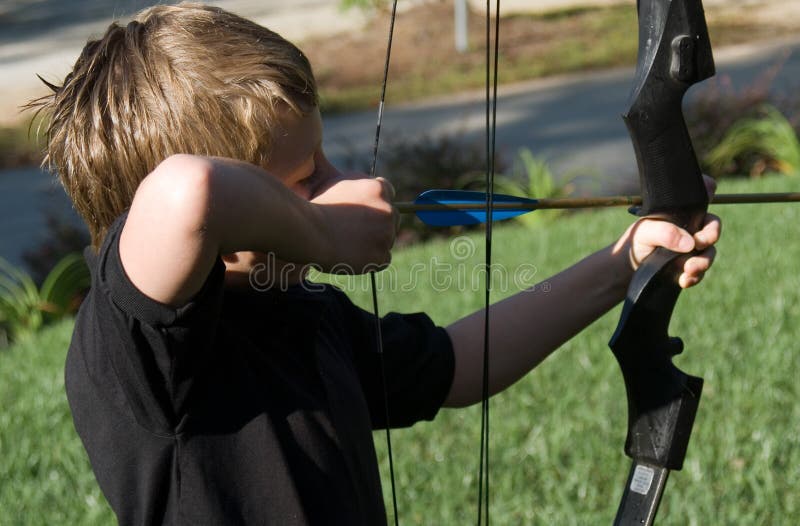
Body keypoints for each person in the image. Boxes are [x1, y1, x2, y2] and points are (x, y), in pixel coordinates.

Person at [29, 3, 721, 525]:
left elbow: (457, 361)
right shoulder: (143, 353)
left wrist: (625, 260)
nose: (340, 181)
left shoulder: (303, 318)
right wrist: (325, 233)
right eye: (304, 178)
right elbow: (188, 193)